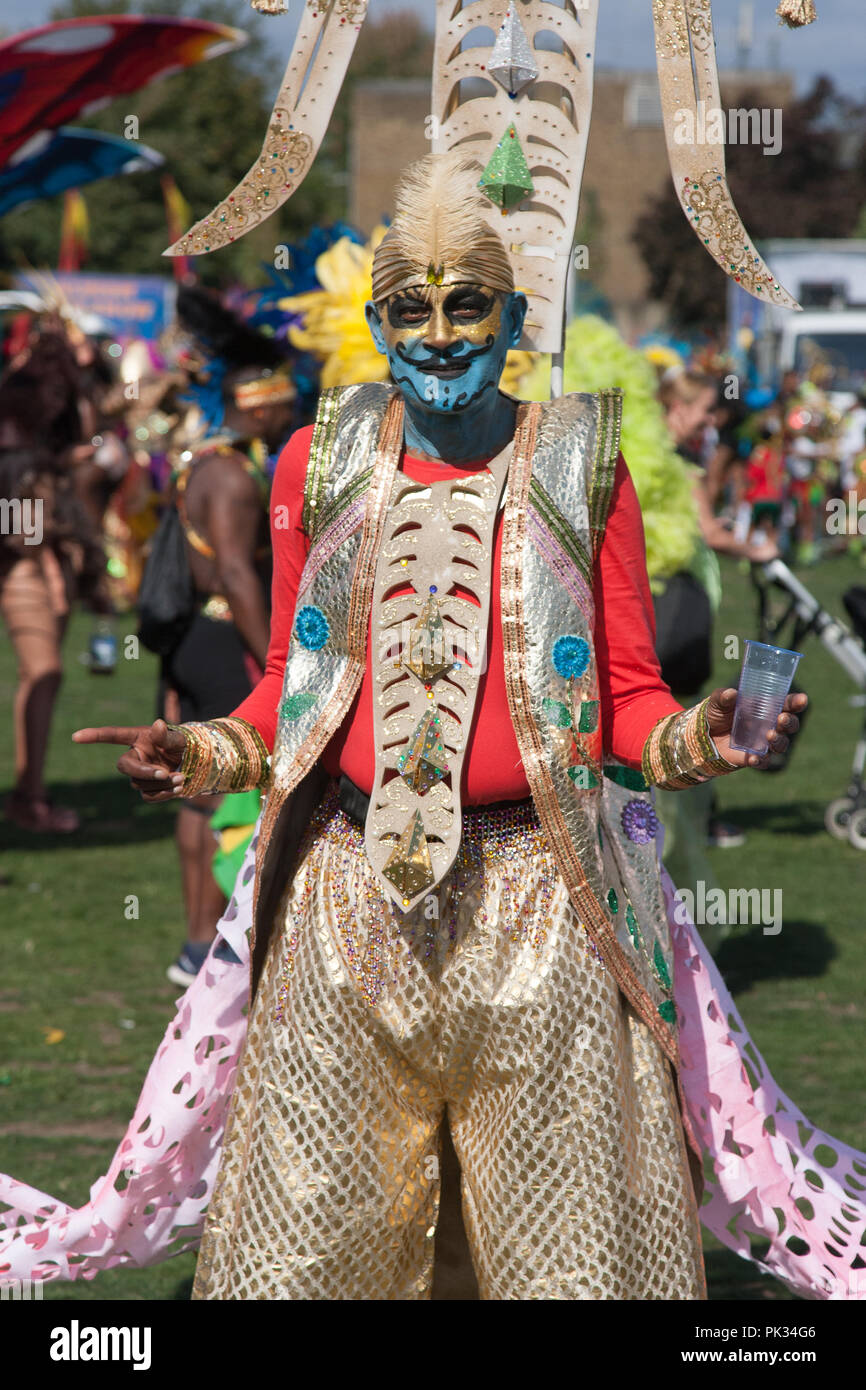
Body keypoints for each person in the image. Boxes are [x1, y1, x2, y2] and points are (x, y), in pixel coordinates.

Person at [64, 154, 809, 1300]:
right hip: (343, 907)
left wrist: (707, 735)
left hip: (543, 908)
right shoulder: (321, 461)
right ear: (377, 323)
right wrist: (201, 749)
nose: (443, 333)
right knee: (295, 1263)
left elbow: (623, 693)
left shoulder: (577, 458)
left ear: (513, 315)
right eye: (411, 307)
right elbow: (287, 687)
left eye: (469, 303)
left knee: (573, 1267)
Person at [155, 288, 298, 986]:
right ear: (259, 402)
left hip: (194, 642)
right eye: (285, 402)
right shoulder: (236, 477)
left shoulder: (204, 460)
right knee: (234, 786)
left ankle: (195, 946)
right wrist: (282, 661)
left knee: (204, 789)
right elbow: (238, 574)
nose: (291, 413)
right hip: (223, 644)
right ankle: (217, 948)